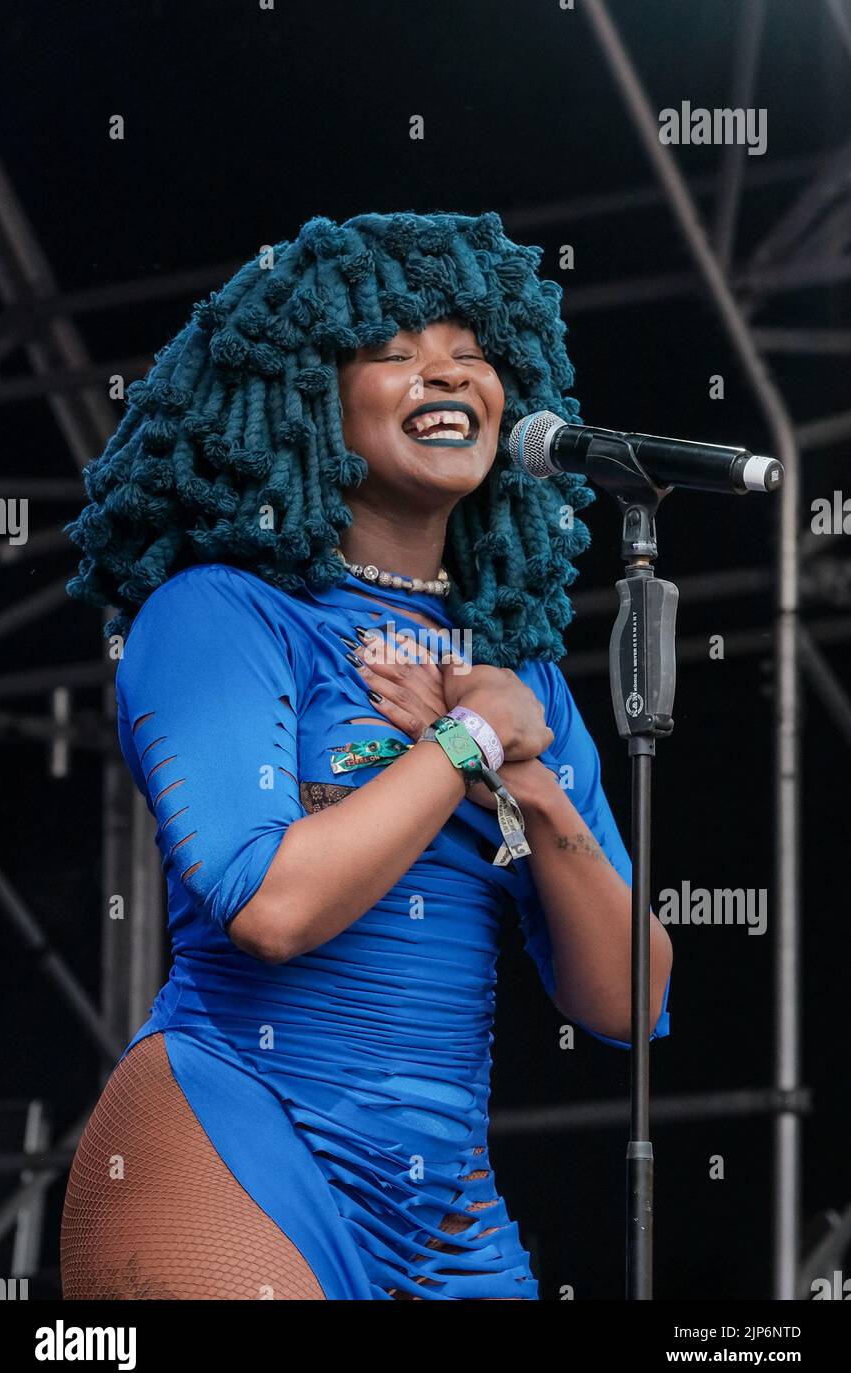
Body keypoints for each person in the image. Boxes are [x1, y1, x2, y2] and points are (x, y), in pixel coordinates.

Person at [59, 210, 673, 1300]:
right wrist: (460, 742)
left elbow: (626, 1002)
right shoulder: (219, 617)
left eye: (471, 356)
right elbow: (272, 909)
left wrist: (525, 781)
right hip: (234, 1144)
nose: (444, 375)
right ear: (305, 399)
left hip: (446, 1209)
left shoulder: (519, 682)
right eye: (390, 354)